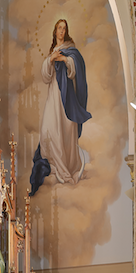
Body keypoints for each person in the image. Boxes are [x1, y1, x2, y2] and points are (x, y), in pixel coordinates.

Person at [30, 18, 91, 194]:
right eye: (59, 28)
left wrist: (65, 59)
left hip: (67, 97)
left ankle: (67, 169)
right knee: (49, 128)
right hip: (53, 95)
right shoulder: (52, 51)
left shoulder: (71, 51)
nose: (61, 31)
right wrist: (51, 60)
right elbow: (45, 76)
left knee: (65, 130)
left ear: (66, 31)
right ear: (55, 31)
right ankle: (56, 167)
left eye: (64, 28)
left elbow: (76, 70)